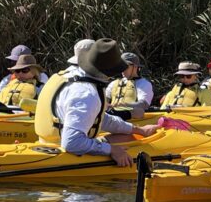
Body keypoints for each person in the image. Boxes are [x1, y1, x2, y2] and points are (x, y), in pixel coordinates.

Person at [33, 38, 148, 166]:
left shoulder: (64, 77)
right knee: (120, 141)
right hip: (62, 152)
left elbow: (98, 118)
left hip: (44, 144)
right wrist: (111, 150)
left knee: (126, 136)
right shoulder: (87, 94)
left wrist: (138, 130)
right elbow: (72, 143)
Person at [105, 52, 154, 118]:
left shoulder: (144, 84)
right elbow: (104, 100)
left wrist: (124, 105)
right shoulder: (113, 83)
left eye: (125, 66)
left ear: (135, 66)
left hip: (132, 118)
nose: (122, 69)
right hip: (113, 116)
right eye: (121, 66)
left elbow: (143, 105)